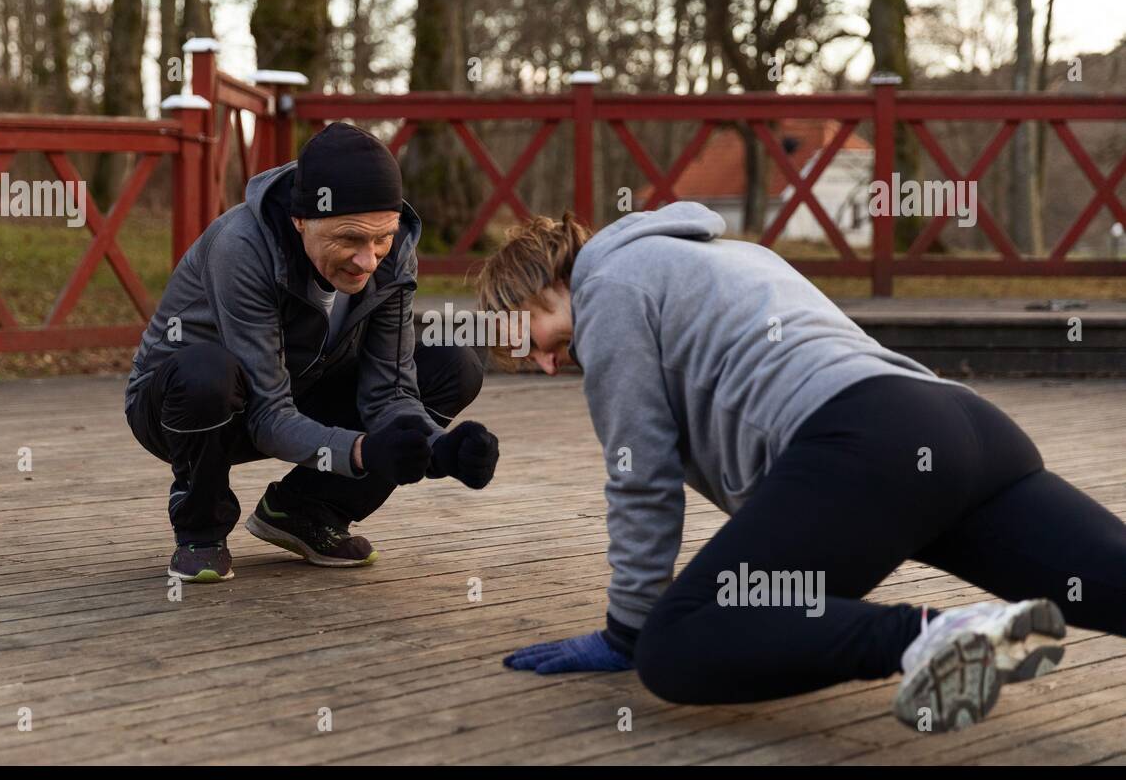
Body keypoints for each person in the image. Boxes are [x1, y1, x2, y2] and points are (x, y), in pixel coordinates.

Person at [480, 202, 1126, 732]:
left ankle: (938, 635)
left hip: (865, 444)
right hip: (967, 431)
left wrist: (626, 632)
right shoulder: (719, 251)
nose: (545, 363)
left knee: (676, 644)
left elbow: (640, 477)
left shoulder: (608, 293)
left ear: (540, 286)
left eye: (527, 339)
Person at [126, 122, 499, 582]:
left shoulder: (396, 250)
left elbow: (390, 394)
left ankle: (305, 511)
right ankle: (201, 528)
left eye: (381, 237)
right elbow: (268, 414)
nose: (368, 260)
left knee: (452, 365)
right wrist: (364, 451)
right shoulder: (240, 246)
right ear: (300, 220)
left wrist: (438, 449)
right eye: (350, 239)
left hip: (303, 385)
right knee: (207, 372)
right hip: (185, 406)